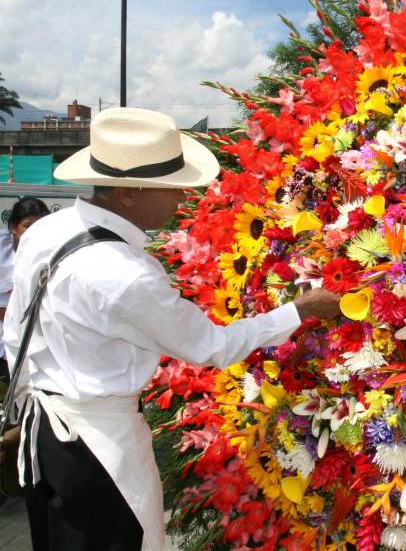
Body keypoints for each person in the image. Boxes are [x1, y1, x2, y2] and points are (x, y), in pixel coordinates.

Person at [3, 107, 340, 551]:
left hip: (44, 432)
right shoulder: (125, 273)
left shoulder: (47, 229)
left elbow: (14, 333)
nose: (182, 200)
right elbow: (212, 347)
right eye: (173, 189)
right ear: (131, 192)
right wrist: (299, 310)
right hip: (98, 446)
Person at [0, 198, 51, 381]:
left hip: (34, 340)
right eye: (28, 226)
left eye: (41, 225)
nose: (35, 232)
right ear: (14, 227)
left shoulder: (52, 251)